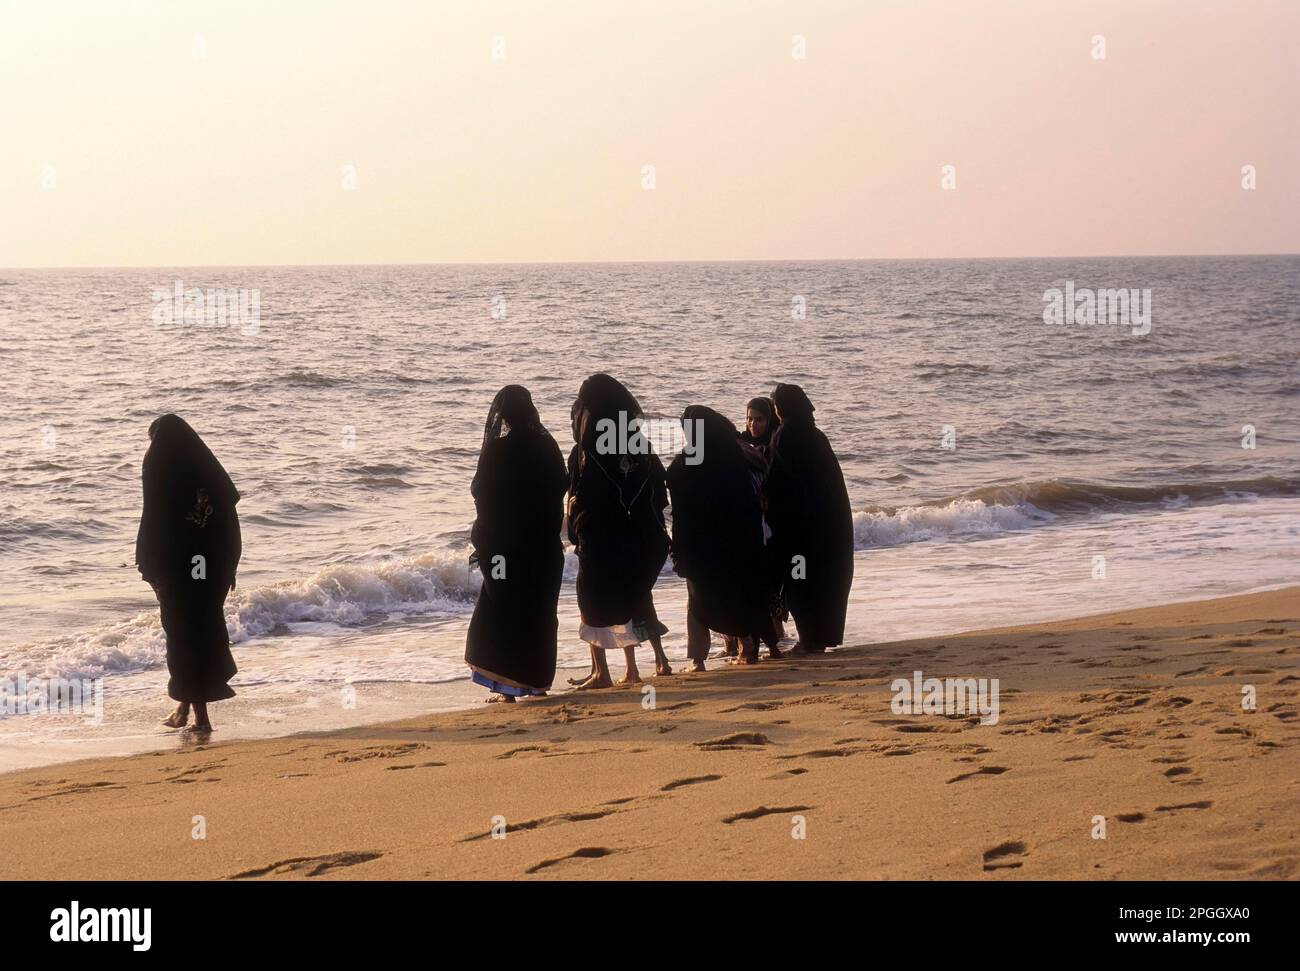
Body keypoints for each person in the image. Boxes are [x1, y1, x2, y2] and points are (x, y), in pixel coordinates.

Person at [565, 374, 671, 689]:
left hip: (600, 539)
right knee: (632, 598)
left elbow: (580, 495)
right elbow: (659, 491)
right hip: (640, 537)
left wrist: (574, 517)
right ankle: (640, 666)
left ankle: (601, 672)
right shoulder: (640, 445)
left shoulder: (585, 451)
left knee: (590, 601)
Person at [135, 414, 241, 731]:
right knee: (200, 636)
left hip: (179, 572)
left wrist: (150, 567)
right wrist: (228, 567)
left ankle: (200, 719)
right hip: (209, 571)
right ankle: (184, 711)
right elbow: (230, 529)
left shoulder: (158, 466)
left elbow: (154, 520)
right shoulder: (209, 475)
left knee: (184, 639)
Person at [465, 386, 568, 703]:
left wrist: (483, 541)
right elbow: (562, 487)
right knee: (538, 614)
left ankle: (506, 691)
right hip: (544, 549)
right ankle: (536, 684)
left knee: (501, 613)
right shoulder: (548, 447)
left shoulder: (498, 451)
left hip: (505, 552)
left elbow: (482, 494)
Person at [666, 406, 770, 671]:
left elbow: (676, 497)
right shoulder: (735, 456)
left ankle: (697, 660)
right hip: (737, 542)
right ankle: (747, 649)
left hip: (700, 547)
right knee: (738, 594)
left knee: (698, 600)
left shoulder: (685, 462)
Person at [764, 383, 854, 654]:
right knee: (823, 581)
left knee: (798, 581)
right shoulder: (816, 436)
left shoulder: (785, 436)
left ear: (782, 408)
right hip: (828, 526)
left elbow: (776, 481)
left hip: (799, 530)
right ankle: (821, 637)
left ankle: (807, 641)